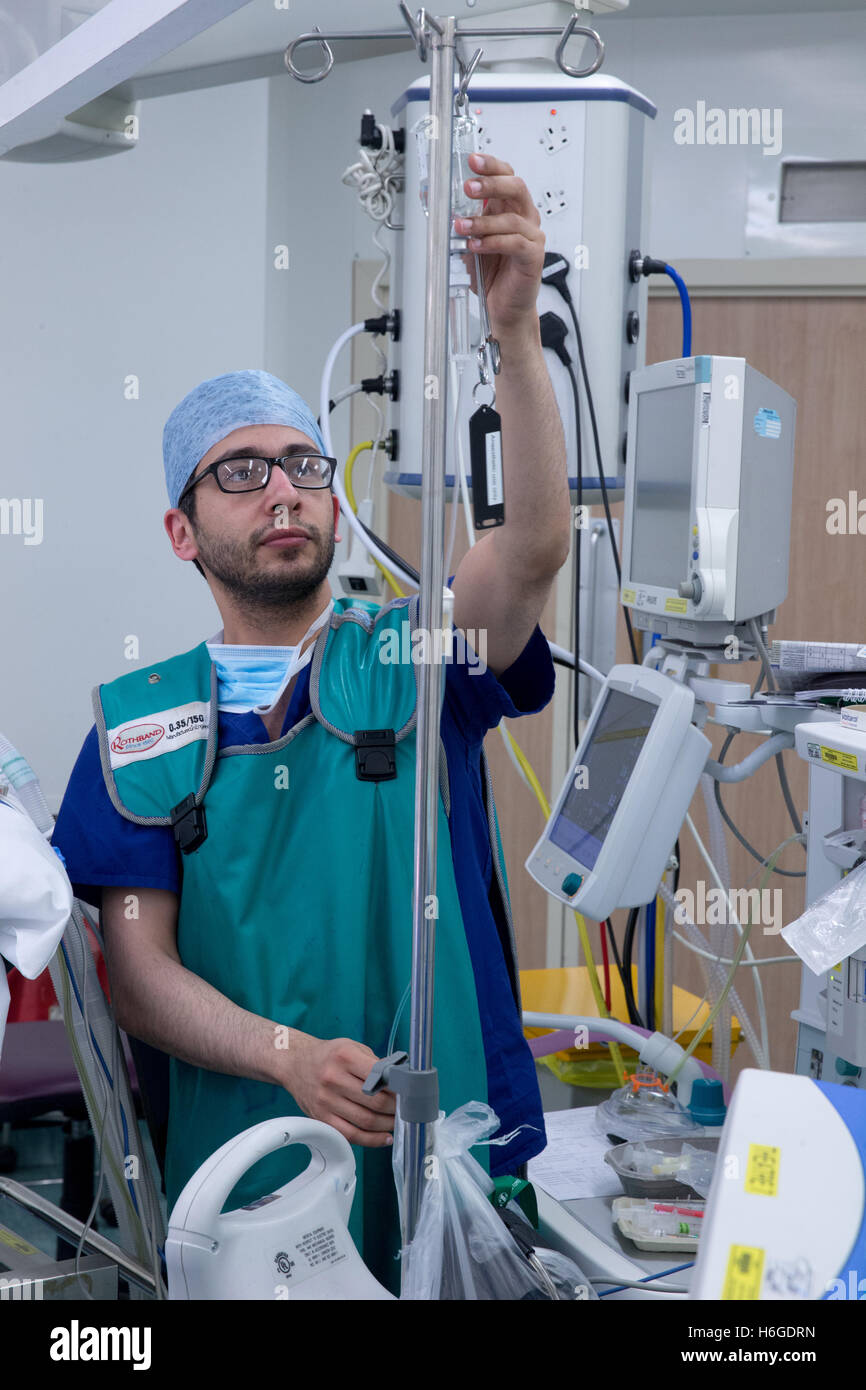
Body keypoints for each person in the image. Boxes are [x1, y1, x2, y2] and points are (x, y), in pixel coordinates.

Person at [52, 152, 572, 1291]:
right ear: (182, 533)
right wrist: (285, 1056)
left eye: (301, 463)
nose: (282, 487)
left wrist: (515, 335)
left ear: (334, 501)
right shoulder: (138, 730)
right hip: (252, 1173)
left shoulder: (414, 657)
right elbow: (137, 972)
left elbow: (531, 549)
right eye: (240, 472)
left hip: (449, 1156)